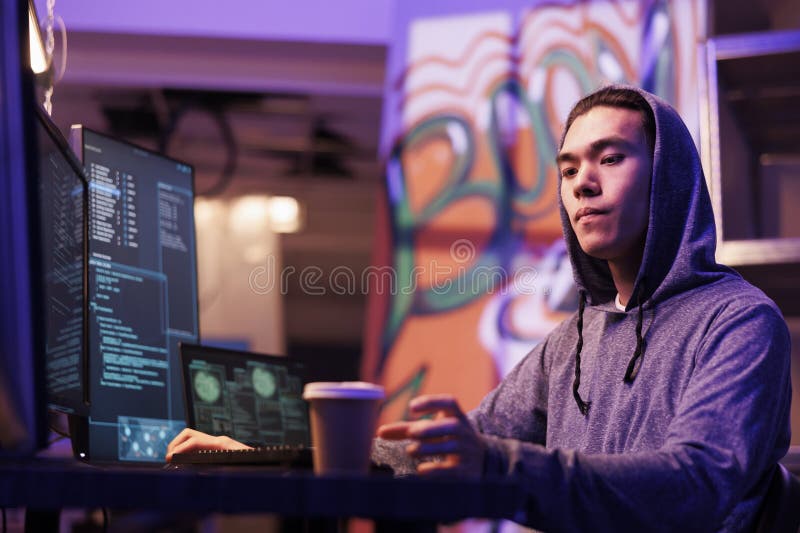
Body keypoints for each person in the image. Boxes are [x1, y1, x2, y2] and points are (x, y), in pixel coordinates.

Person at [167, 86, 792, 532]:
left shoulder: (739, 321)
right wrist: (262, 456)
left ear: (669, 178)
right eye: (568, 168)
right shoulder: (570, 344)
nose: (583, 182)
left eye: (610, 158)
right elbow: (439, 455)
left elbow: (696, 487)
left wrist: (495, 462)